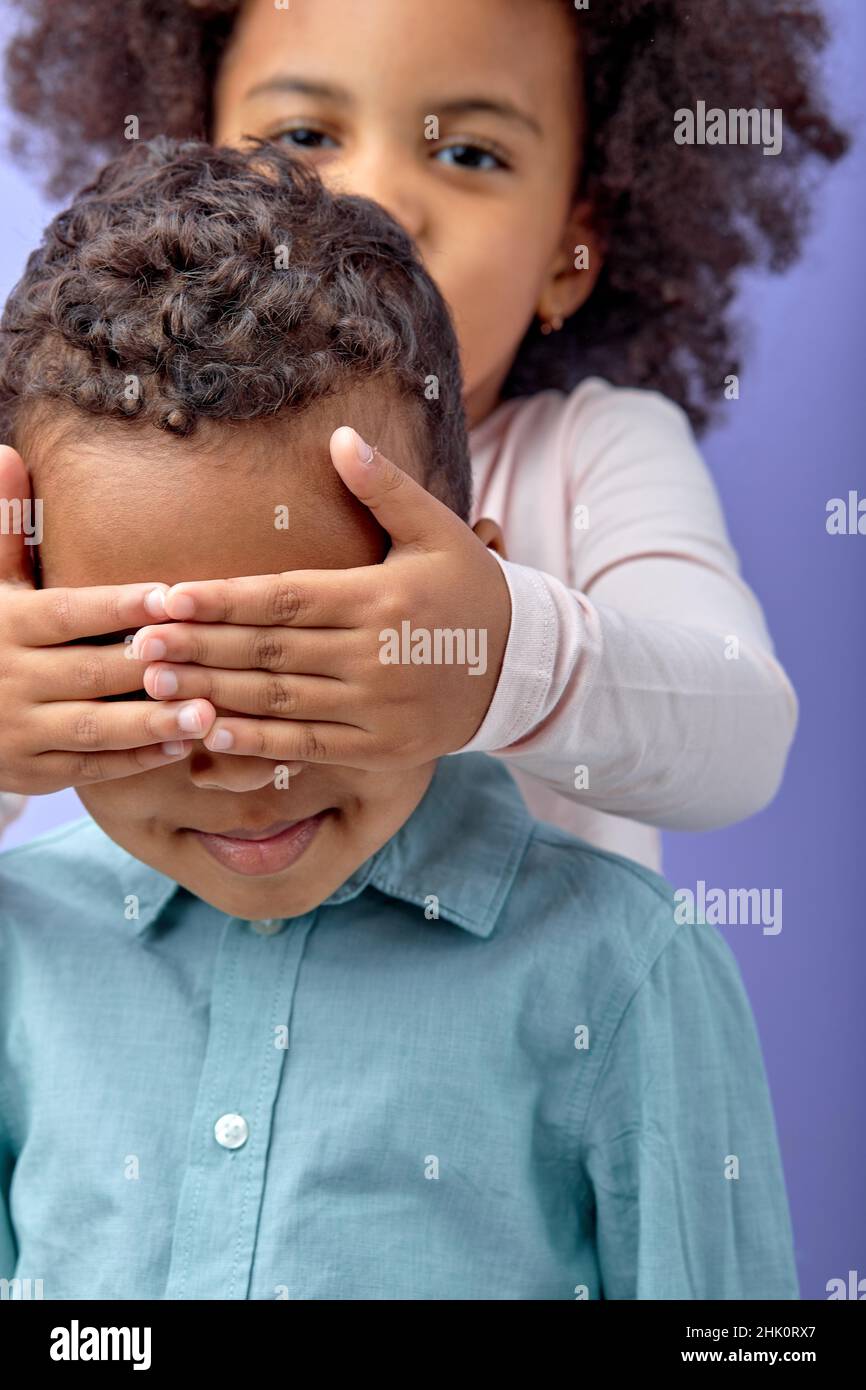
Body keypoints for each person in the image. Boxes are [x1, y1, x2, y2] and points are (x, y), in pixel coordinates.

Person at [0, 138, 798, 1299]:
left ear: (460, 601)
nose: (236, 768)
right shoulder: (22, 948)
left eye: (314, 669)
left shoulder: (622, 979)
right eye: (144, 676)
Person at [0, 0, 849, 864]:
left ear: (569, 249)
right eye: (302, 137)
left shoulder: (591, 453)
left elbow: (743, 738)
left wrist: (500, 665)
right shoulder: (88, 456)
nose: (377, 198)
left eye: (469, 153)